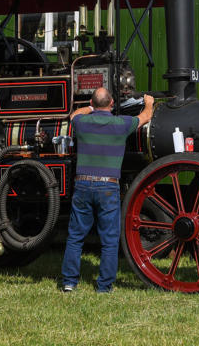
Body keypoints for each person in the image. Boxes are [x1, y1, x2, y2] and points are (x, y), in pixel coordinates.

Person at [61, 88, 154, 293]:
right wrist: (149, 101)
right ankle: (104, 287)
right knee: (110, 239)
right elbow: (146, 117)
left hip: (83, 184)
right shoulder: (120, 123)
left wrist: (90, 107)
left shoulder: (82, 122)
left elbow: (74, 115)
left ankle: (69, 283)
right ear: (112, 103)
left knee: (76, 236)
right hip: (108, 185)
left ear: (93, 103)